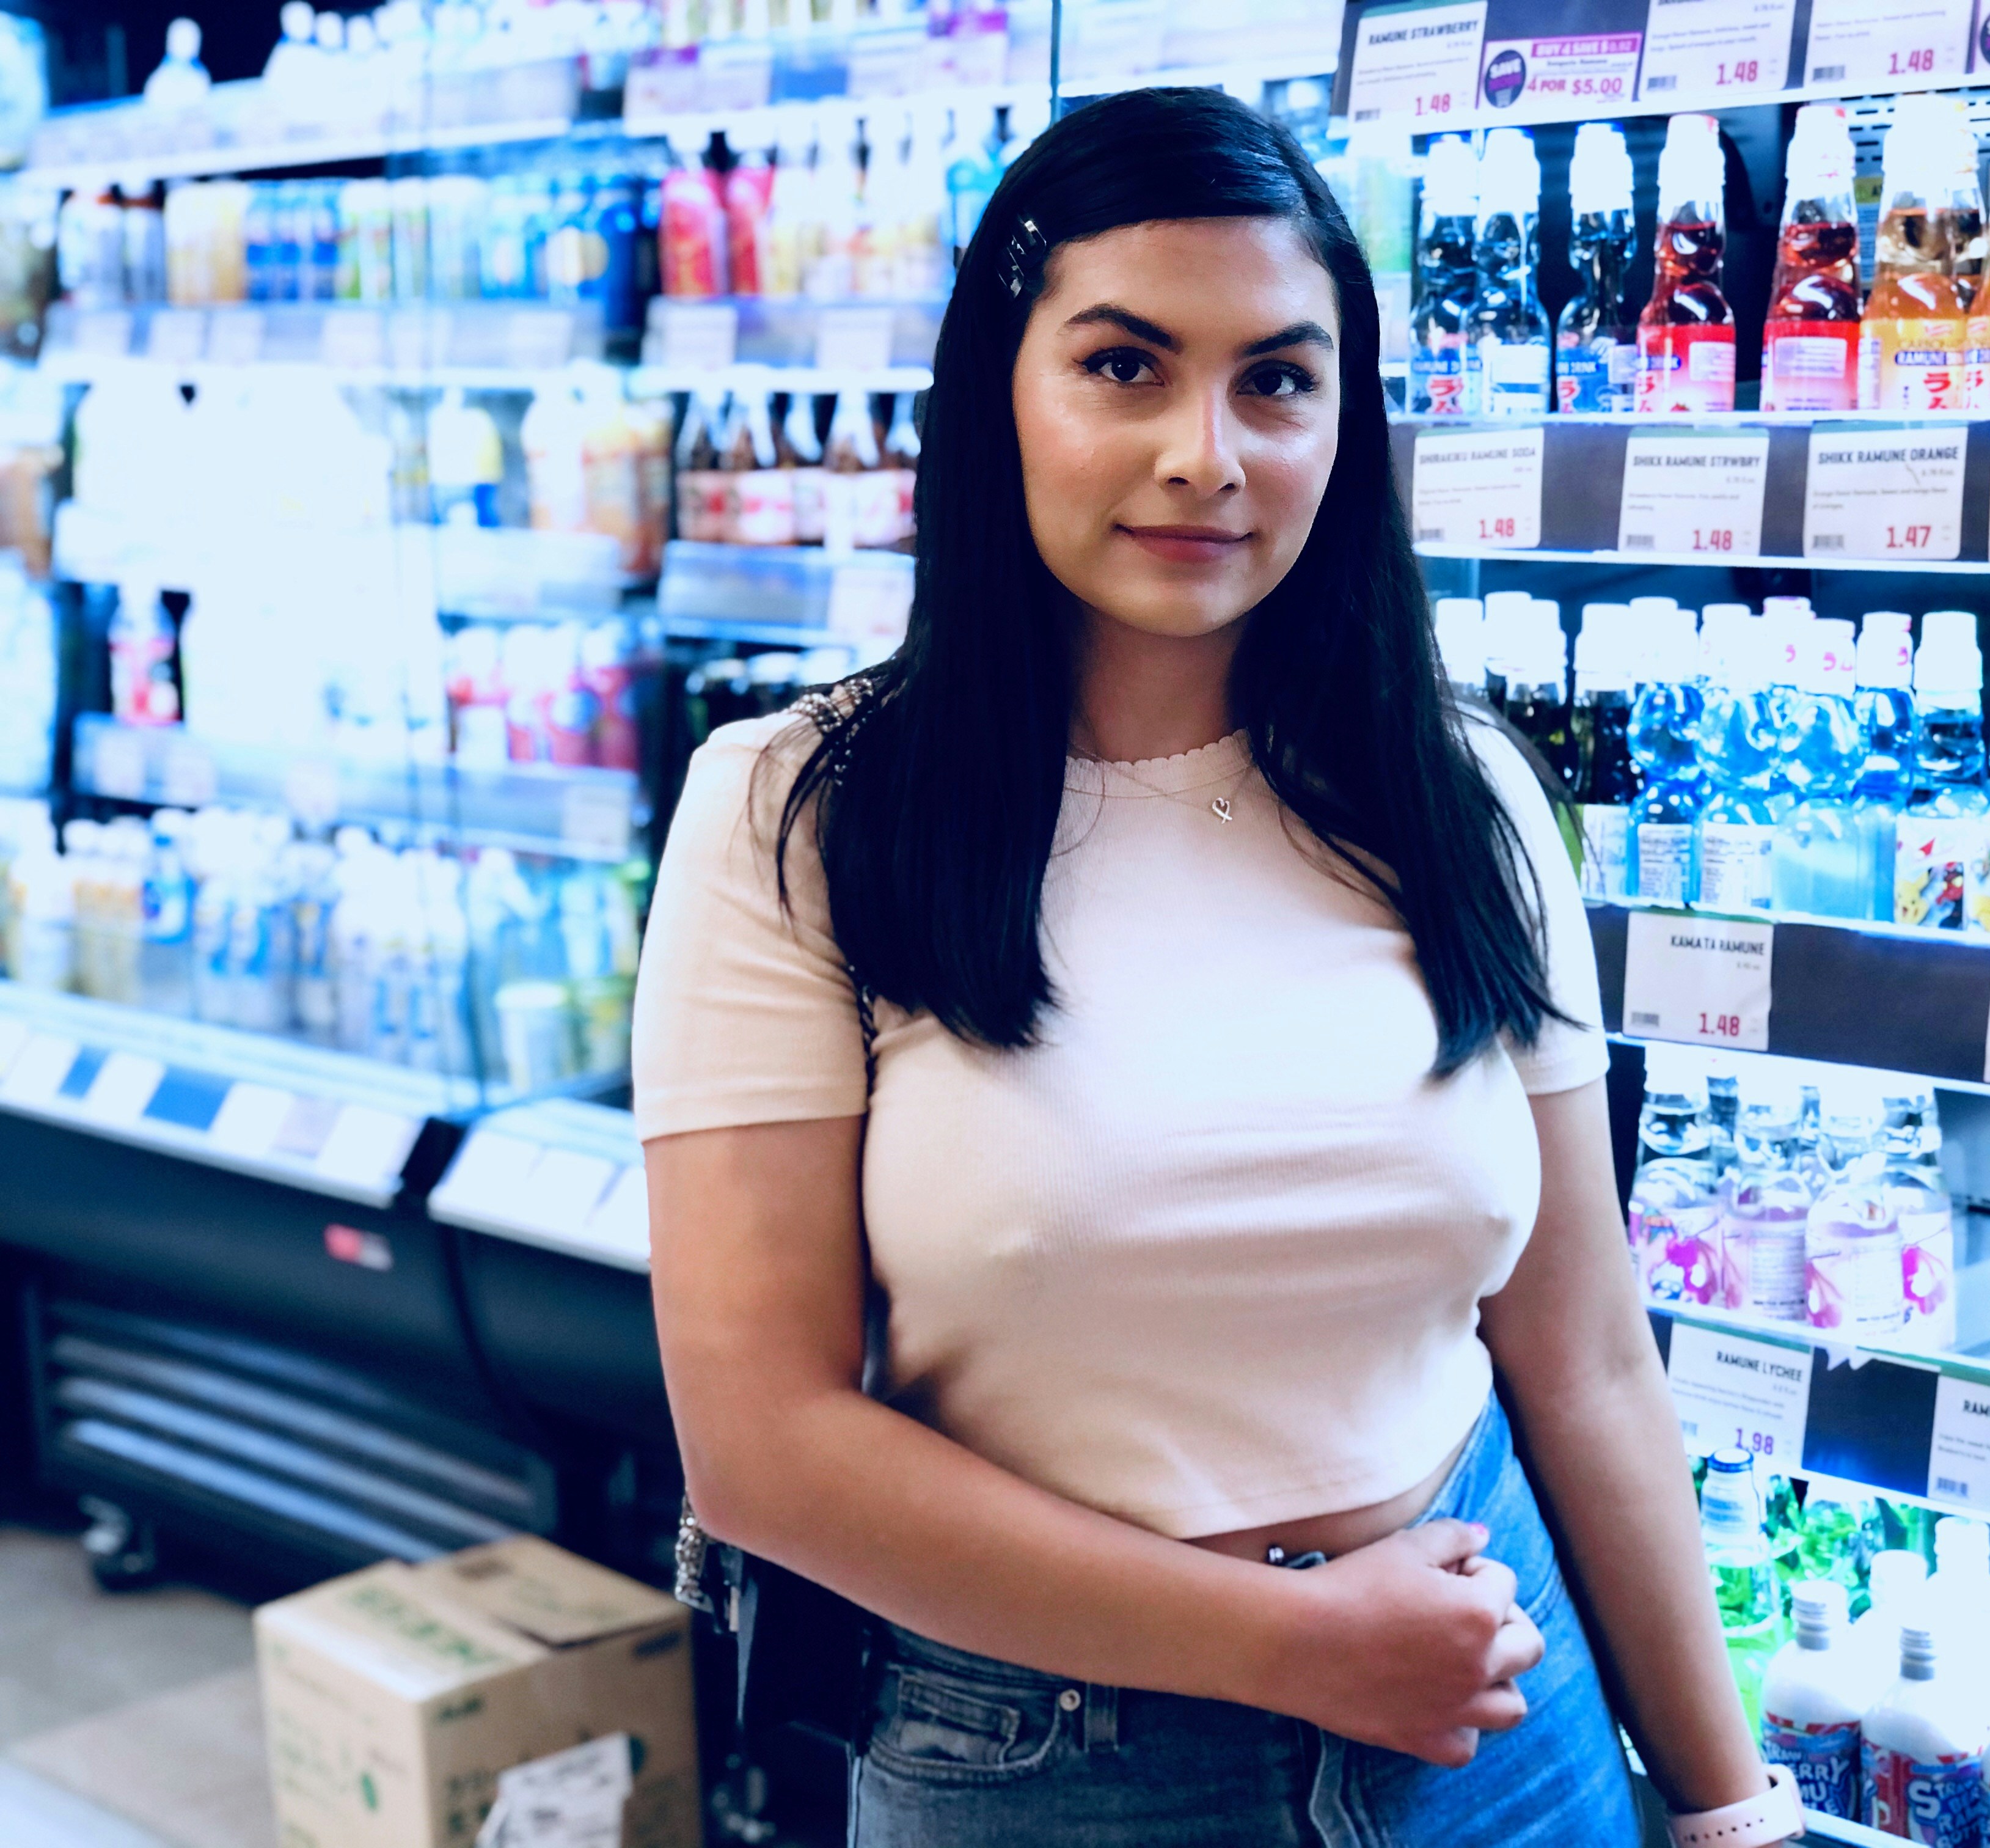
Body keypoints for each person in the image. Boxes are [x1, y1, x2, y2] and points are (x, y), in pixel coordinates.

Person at [634, 87, 1803, 1848]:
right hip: (1048, 1760)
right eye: (1123, 367)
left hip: (1501, 1710)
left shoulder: (1464, 791)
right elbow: (764, 1442)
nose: (1210, 453)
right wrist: (1300, 1646)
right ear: (999, 396)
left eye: (1278, 378)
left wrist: (1729, 1814)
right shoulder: (797, 814)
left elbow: (1585, 1360)